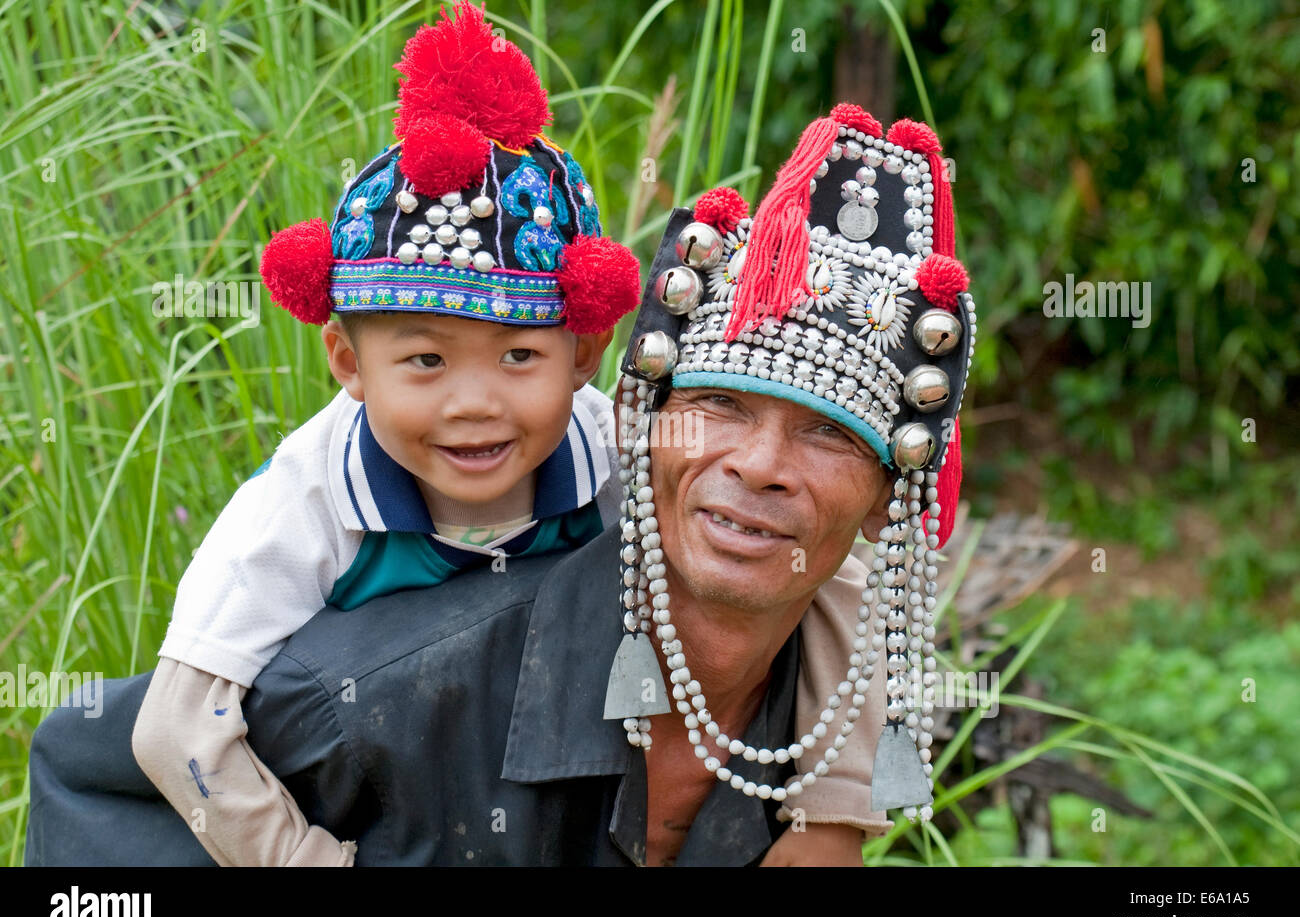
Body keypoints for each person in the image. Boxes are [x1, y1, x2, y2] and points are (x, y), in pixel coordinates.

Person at [26, 97, 976, 866]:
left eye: (826, 436)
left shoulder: (617, 466)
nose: (761, 468)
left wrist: (832, 823)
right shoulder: (340, 672)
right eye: (722, 409)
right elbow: (149, 749)